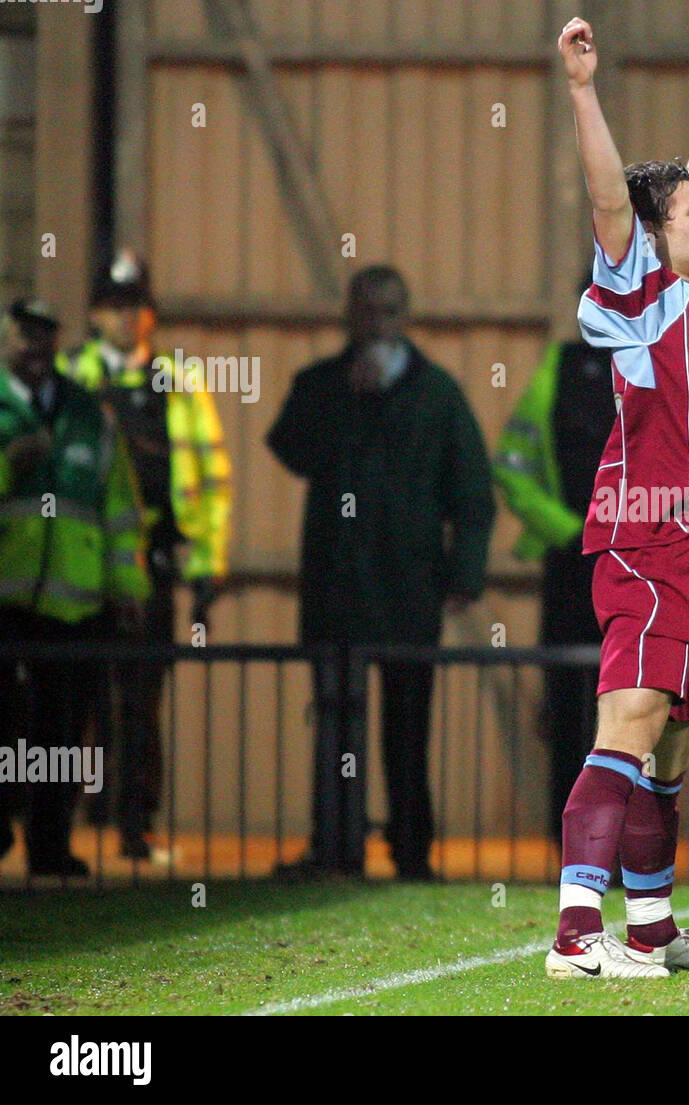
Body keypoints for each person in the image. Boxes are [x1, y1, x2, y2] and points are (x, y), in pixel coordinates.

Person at [545, 17, 689, 979]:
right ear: (655, 235)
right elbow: (611, 199)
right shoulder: (641, 292)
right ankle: (578, 937)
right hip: (651, 541)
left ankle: (654, 930)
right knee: (627, 727)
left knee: (669, 752)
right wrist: (584, 91)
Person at [267, 265, 495, 881]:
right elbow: (289, 446)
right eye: (367, 310)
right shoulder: (321, 386)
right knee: (336, 723)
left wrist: (464, 574)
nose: (378, 323)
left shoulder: (437, 394)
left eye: (390, 311)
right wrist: (347, 398)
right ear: (349, 314)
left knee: (407, 726)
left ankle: (411, 853)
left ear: (406, 316)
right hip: (338, 587)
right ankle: (335, 848)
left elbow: (473, 490)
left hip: (408, 590)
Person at [59, 250, 231, 860]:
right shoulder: (69, 373)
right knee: (67, 695)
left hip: (149, 561)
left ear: (150, 314)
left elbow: (210, 479)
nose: (125, 318)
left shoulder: (178, 382)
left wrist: (208, 569)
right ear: (94, 313)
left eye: (134, 306)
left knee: (139, 699)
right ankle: (52, 834)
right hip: (72, 563)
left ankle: (134, 827)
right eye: (113, 307)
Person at [0, 298, 148, 876]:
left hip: (75, 605)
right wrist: (9, 463)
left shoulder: (88, 414)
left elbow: (118, 509)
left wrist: (129, 585)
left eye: (44, 337)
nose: (34, 347)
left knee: (60, 736)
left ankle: (50, 846)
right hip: (6, 601)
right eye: (23, 335)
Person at [493, 334, 613, 847]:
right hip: (572, 563)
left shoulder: (662, 361)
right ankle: (573, 851)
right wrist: (569, 529)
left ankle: (627, 848)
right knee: (567, 707)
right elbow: (511, 463)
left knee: (633, 710)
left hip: (637, 562)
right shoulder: (558, 368)